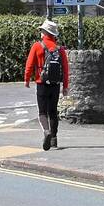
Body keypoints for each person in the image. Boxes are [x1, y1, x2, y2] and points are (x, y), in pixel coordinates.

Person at [24, 19, 70, 150]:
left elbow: (30, 64)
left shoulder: (37, 46)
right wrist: (65, 86)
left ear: (45, 32)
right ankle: (54, 139)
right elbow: (65, 69)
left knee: (42, 112)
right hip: (55, 84)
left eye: (42, 30)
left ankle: (46, 131)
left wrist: (27, 79)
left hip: (41, 83)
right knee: (53, 112)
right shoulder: (59, 49)